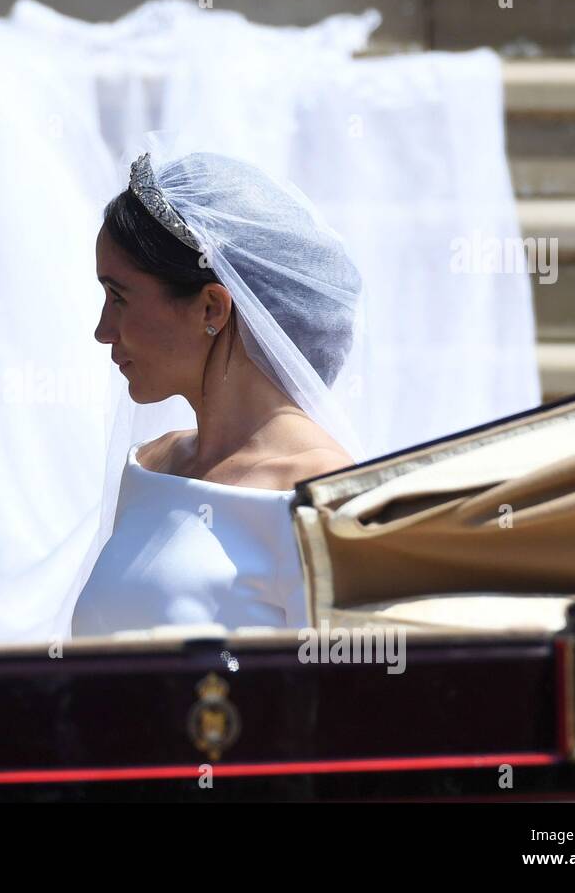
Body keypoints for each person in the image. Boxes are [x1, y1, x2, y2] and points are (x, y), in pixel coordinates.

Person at [70, 151, 364, 636]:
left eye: (119, 298)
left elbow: (338, 700)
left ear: (211, 308)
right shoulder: (150, 464)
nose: (103, 330)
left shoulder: (319, 495)